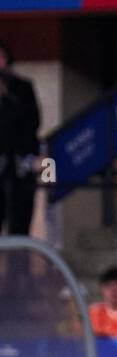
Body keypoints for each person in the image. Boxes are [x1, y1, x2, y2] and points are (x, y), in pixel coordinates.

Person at [0, 41, 39, 236]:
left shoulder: (22, 88)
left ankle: (19, 265)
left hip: (20, 164)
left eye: (1, 58)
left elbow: (33, 121)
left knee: (20, 221)